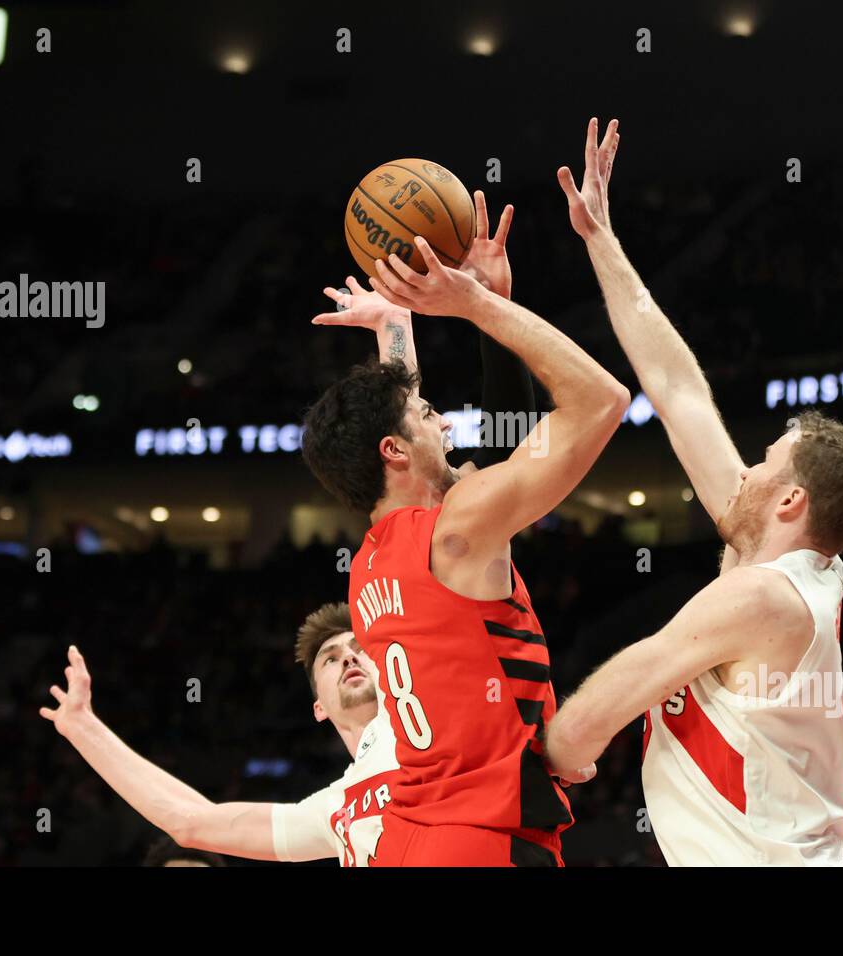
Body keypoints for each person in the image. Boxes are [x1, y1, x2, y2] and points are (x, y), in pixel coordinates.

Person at [544, 118, 843, 866]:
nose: (749, 470)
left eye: (766, 463)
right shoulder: (798, 568)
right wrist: (601, 239)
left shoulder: (760, 598)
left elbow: (589, 721)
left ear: (790, 502)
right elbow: (678, 392)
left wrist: (533, 763)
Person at [301, 191, 629, 866]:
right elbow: (602, 401)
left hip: (416, 837)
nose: (444, 421)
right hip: (484, 843)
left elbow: (481, 459)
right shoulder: (454, 532)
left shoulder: (371, 562)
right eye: (426, 415)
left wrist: (395, 326)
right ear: (394, 452)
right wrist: (480, 305)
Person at [40, 604, 397, 867]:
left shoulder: (429, 731)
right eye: (330, 659)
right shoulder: (335, 809)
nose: (349, 658)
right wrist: (84, 729)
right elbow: (191, 821)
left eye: (361, 649)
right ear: (318, 706)